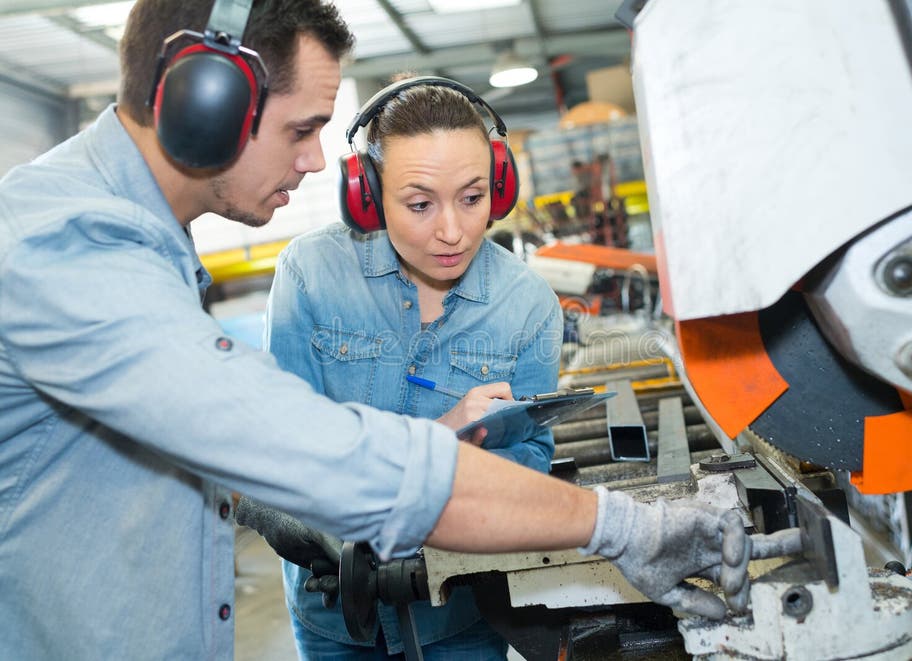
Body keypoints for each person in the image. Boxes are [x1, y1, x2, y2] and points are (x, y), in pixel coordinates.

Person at [0, 0, 793, 658]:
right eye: (300, 129)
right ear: (206, 101)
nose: (315, 162)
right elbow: (296, 450)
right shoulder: (68, 248)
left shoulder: (135, 248)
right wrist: (626, 527)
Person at [264, 77, 562, 658]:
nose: (452, 231)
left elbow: (527, 466)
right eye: (420, 204)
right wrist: (440, 441)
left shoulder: (528, 306)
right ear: (368, 195)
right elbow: (280, 452)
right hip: (334, 614)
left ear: (500, 189)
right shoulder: (310, 275)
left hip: (459, 616)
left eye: (473, 199)